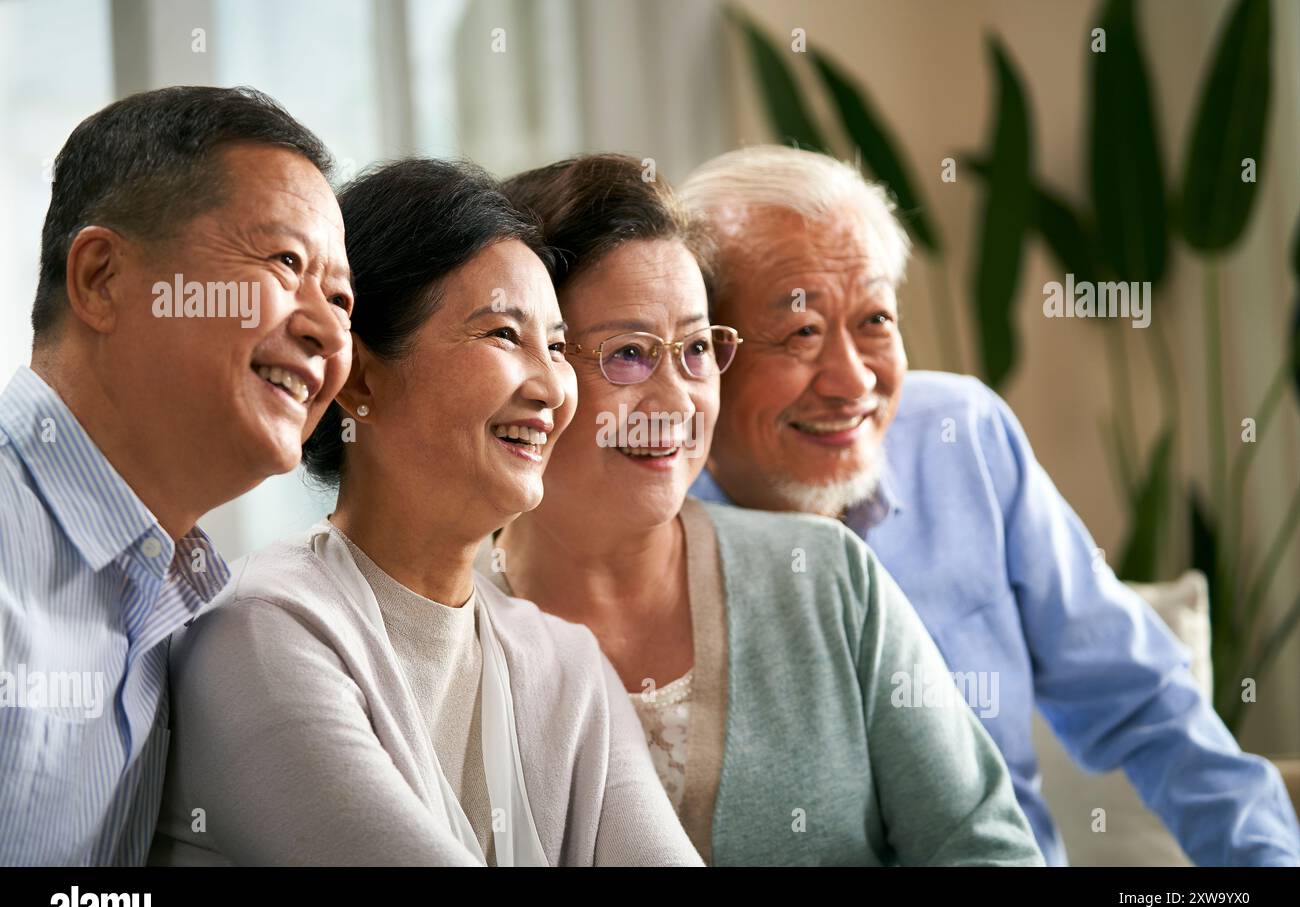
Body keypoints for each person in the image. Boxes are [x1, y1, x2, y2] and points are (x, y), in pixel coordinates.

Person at [679, 143, 1300, 866]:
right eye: (802, 333)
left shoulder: (963, 438)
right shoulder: (655, 532)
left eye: (876, 320)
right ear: (704, 351)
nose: (852, 382)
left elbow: (1143, 701)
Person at [488, 153, 1044, 865]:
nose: (676, 401)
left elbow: (981, 846)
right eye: (627, 354)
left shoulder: (828, 575)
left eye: (695, 348)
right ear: (532, 373)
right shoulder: (453, 624)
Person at [151, 158, 702, 867]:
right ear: (361, 380)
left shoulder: (566, 666)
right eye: (504, 334)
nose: (551, 387)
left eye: (558, 347)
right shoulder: (261, 631)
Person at [0, 86, 352, 865]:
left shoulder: (202, 610)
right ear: (101, 279)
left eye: (341, 299)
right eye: (285, 263)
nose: (328, 329)